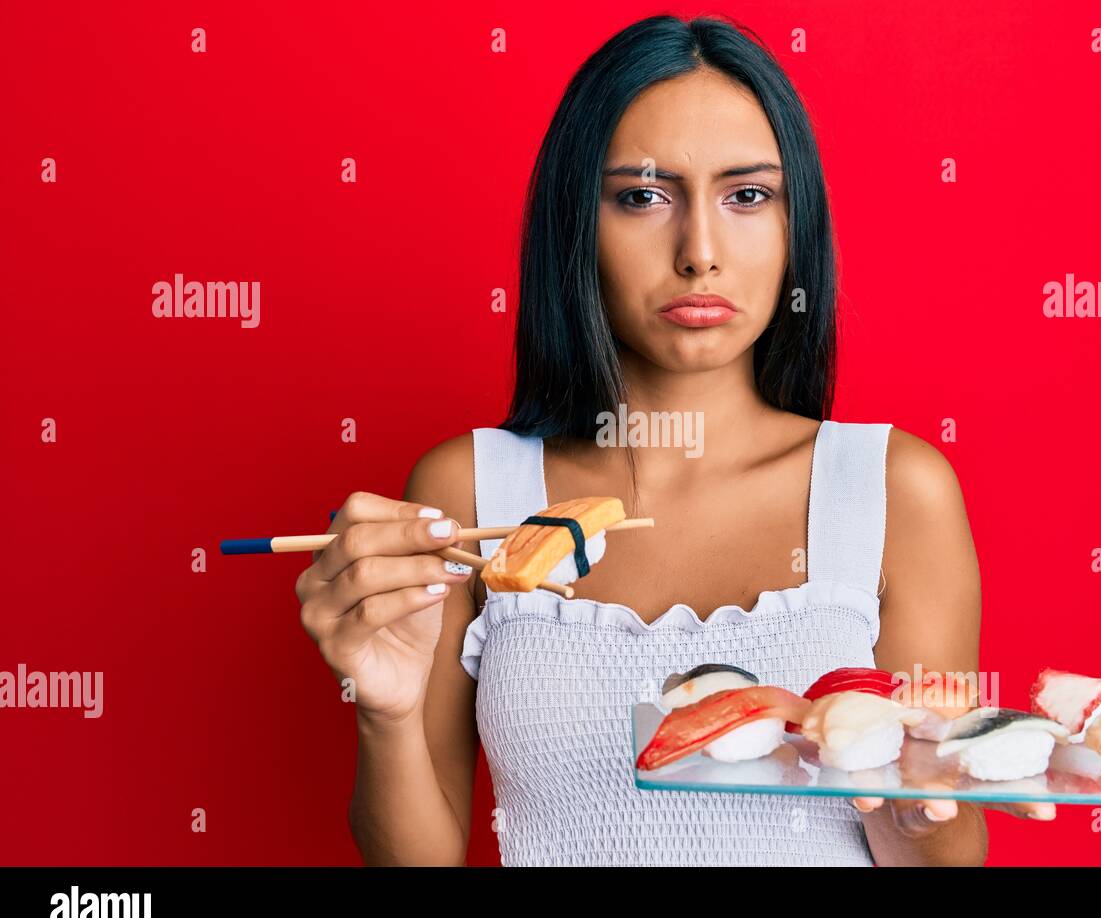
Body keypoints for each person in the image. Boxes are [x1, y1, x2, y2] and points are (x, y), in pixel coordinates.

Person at [295, 14, 1054, 866]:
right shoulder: (469, 493)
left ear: (794, 225)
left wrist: (914, 816)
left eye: (747, 195)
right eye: (642, 196)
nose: (700, 252)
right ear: (576, 224)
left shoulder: (892, 488)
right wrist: (384, 708)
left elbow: (941, 852)